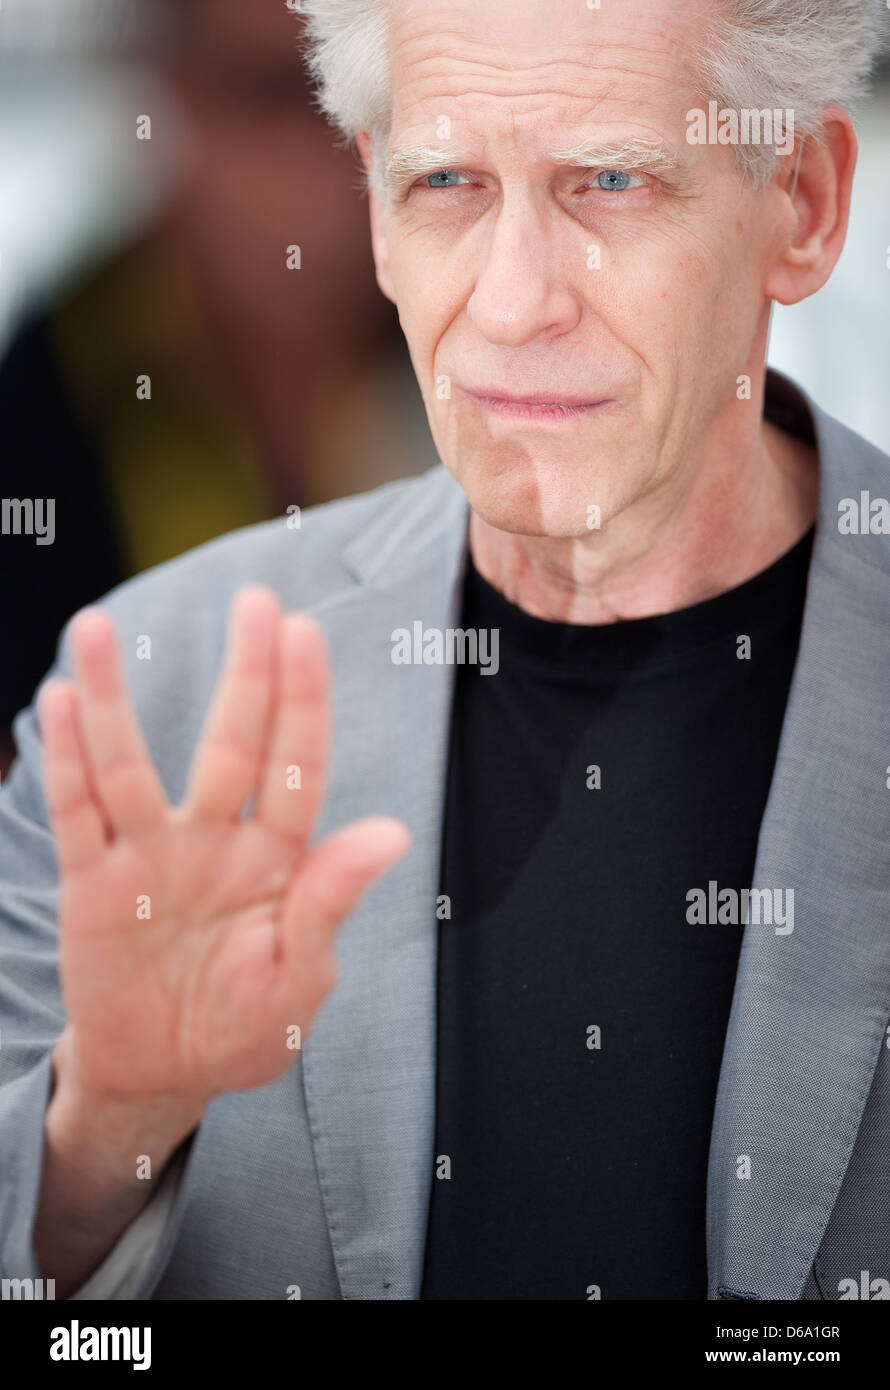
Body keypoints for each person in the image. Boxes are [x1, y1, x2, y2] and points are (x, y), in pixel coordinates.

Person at [1, 0, 888, 1301]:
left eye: (609, 179)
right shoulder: (149, 686)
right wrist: (110, 1121)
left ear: (798, 201)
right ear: (374, 209)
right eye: (447, 182)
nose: (513, 300)